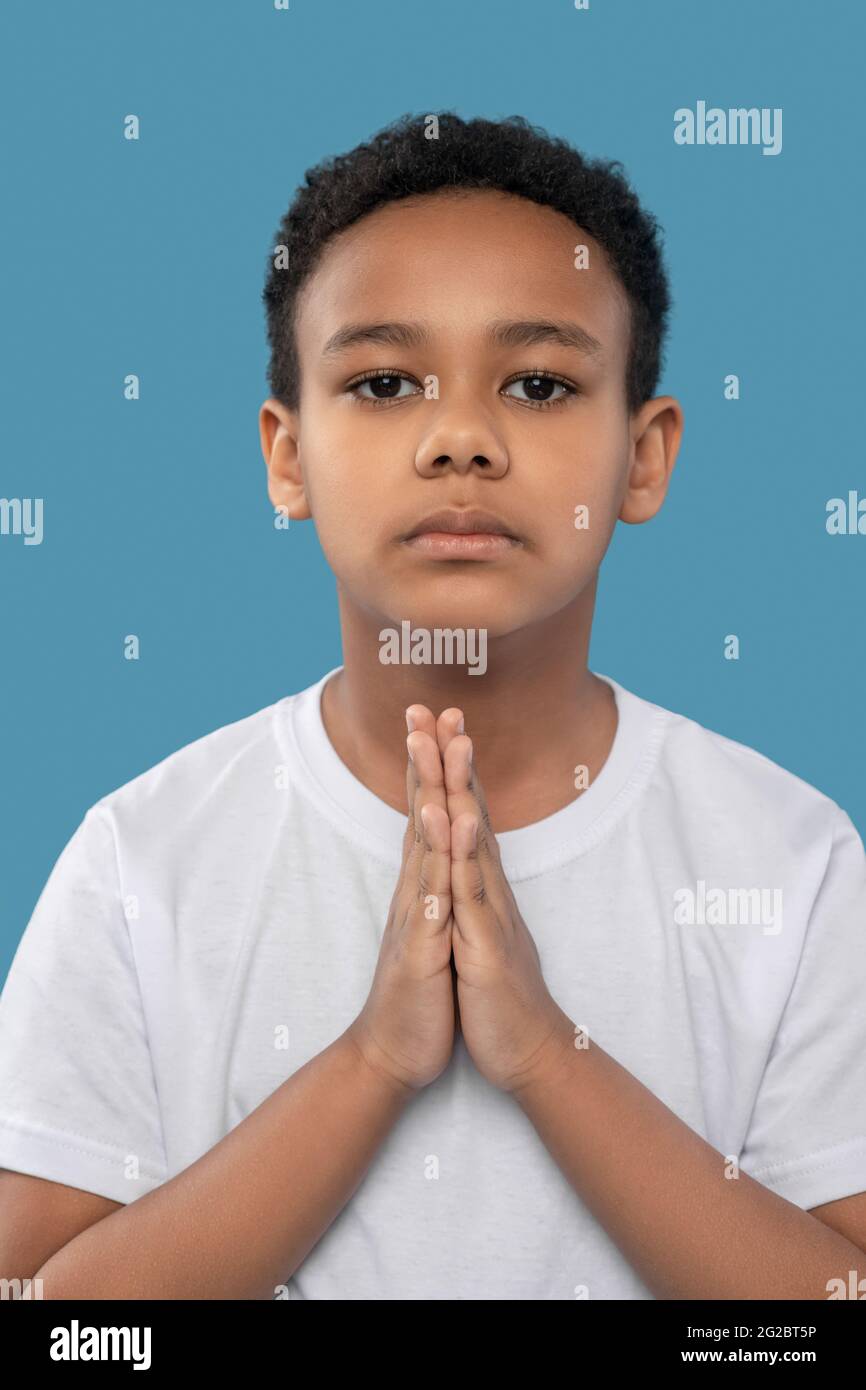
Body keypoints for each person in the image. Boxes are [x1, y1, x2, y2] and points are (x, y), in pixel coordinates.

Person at [1, 112, 865, 1301]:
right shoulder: (138, 860)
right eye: (384, 381)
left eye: (539, 382)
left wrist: (547, 1057)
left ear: (643, 455)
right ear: (287, 457)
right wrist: (368, 1064)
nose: (459, 437)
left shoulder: (791, 858)